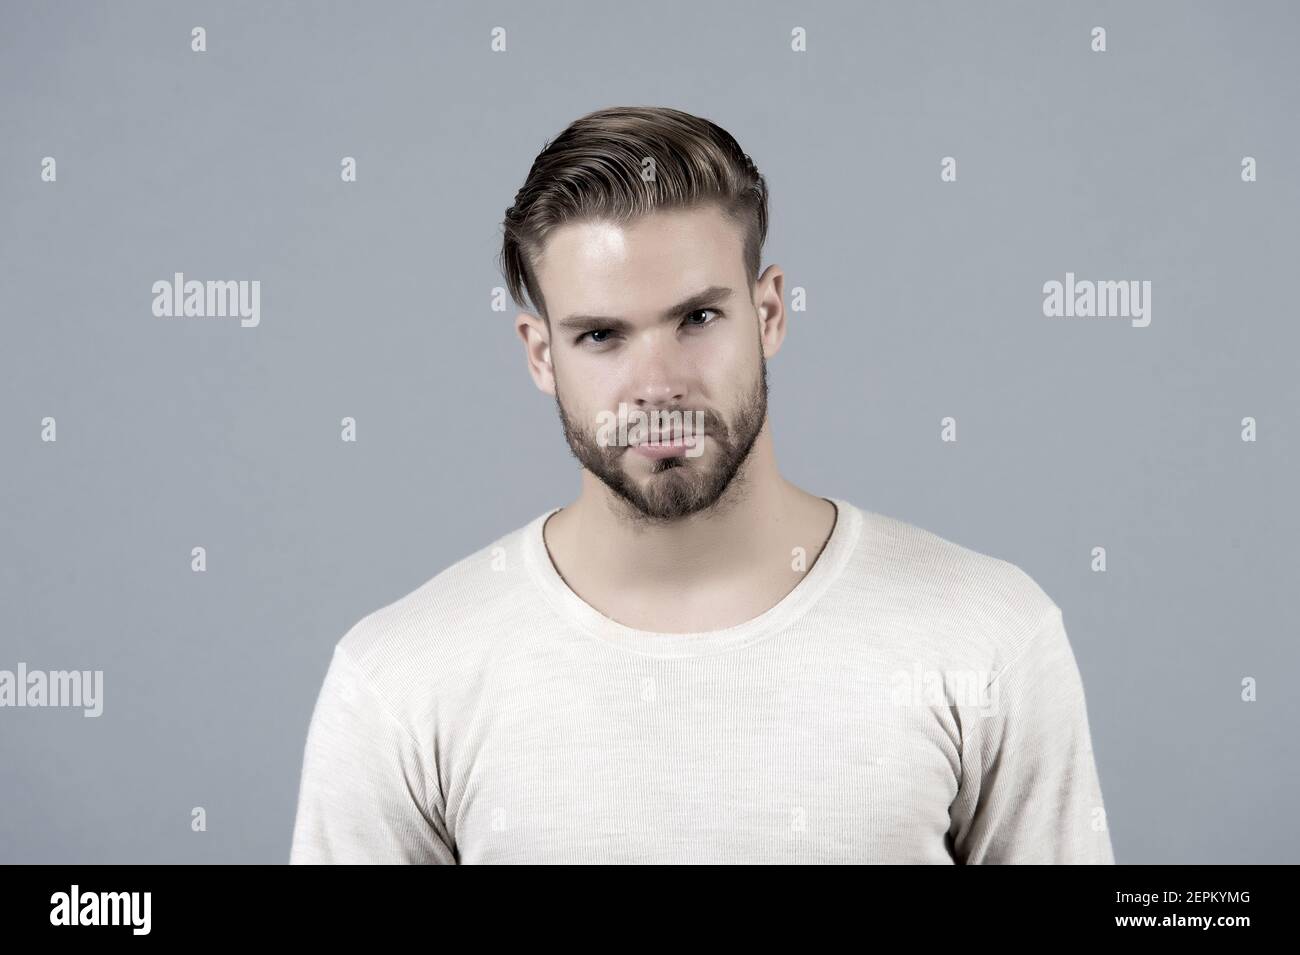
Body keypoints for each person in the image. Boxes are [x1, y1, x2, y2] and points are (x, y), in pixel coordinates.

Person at [289, 106, 1115, 864]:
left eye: (698, 318)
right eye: (602, 335)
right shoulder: (400, 682)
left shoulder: (990, 639)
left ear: (769, 313)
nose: (658, 382)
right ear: (541, 354)